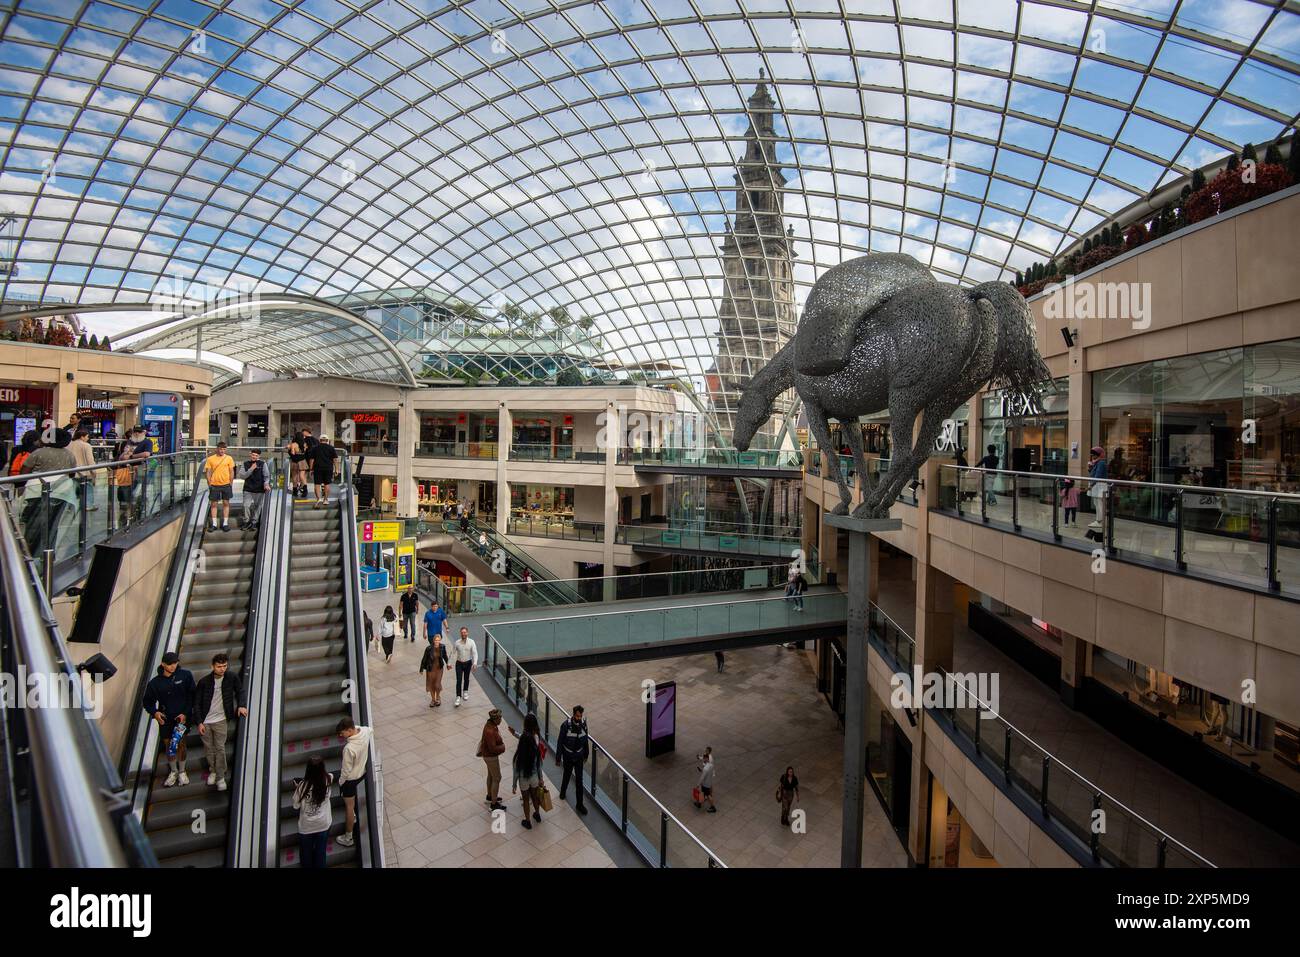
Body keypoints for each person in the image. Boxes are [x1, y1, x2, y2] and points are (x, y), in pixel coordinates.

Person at [18, 429, 76, 560]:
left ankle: (28, 554)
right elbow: (72, 474)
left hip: (36, 492)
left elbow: (24, 472)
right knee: (52, 525)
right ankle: (48, 554)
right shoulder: (69, 455)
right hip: (62, 494)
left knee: (32, 524)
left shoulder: (38, 453)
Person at [193, 652, 248, 792]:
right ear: (212, 666)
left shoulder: (231, 677)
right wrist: (199, 722)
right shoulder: (204, 682)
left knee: (220, 748)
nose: (222, 669)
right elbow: (197, 703)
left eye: (224, 666)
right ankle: (213, 770)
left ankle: (220, 776)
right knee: (209, 749)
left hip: (221, 719)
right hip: (205, 721)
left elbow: (240, 691)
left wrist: (241, 705)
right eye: (219, 666)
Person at [141, 651, 195, 787]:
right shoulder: (155, 683)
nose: (173, 666)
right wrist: (155, 713)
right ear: (163, 664)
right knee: (169, 745)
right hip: (166, 719)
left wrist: (185, 713)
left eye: (175, 663)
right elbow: (147, 702)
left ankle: (182, 771)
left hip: (181, 719)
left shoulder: (185, 675)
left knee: (180, 743)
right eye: (170, 664)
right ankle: (174, 771)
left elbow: (192, 696)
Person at [335, 716, 371, 847]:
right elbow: (369, 729)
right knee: (351, 804)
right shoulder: (365, 732)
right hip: (362, 774)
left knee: (349, 807)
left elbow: (345, 771)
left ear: (350, 730)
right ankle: (353, 818)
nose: (341, 735)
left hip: (349, 780)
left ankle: (348, 837)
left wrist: (340, 782)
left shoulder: (349, 748)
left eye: (342, 732)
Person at [293, 755, 333, 868]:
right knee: (321, 853)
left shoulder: (302, 787)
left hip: (306, 827)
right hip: (324, 823)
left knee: (306, 856)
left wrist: (297, 787)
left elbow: (296, 805)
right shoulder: (329, 779)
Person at [511, 712, 546, 829]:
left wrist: (514, 784)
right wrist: (541, 779)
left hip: (523, 779)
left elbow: (516, 771)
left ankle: (527, 821)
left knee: (526, 799)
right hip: (534, 777)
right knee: (535, 796)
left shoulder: (519, 756)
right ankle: (537, 814)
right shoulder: (535, 749)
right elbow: (538, 766)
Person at [477, 709, 515, 810]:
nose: (501, 719)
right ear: (496, 719)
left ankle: (490, 796)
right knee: (497, 777)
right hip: (491, 757)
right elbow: (493, 748)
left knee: (491, 775)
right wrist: (502, 747)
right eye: (500, 718)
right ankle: (494, 804)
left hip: (488, 755)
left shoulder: (490, 725)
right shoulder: (490, 731)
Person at [556, 705, 589, 815]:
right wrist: (558, 757)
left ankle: (579, 804)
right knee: (567, 774)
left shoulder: (583, 725)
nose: (579, 718)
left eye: (580, 716)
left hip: (579, 756)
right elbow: (560, 741)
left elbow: (585, 739)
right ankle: (563, 792)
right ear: (574, 715)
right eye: (577, 716)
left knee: (579, 781)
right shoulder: (566, 725)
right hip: (568, 756)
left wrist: (586, 754)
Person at [204, 441, 236, 532]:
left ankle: (225, 523)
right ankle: (214, 524)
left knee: (226, 503)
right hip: (214, 485)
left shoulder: (229, 458)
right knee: (213, 504)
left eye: (224, 449)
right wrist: (209, 483)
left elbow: (231, 471)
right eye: (221, 449)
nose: (222, 451)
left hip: (226, 484)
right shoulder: (210, 459)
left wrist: (231, 482)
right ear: (217, 449)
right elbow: (208, 472)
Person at [68, 429, 97, 511]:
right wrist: (94, 472)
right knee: (88, 489)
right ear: (82, 437)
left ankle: (72, 506)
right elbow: (90, 460)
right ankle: (89, 505)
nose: (88, 438)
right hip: (85, 472)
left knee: (73, 490)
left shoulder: (69, 444)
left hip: (72, 472)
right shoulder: (86, 445)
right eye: (87, 436)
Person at [239, 449, 268, 529]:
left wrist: (266, 484)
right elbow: (242, 476)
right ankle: (246, 521)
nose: (254, 456)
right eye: (253, 455)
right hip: (248, 489)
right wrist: (251, 469)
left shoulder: (263, 464)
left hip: (259, 488)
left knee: (257, 506)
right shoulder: (245, 464)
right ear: (250, 454)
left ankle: (254, 522)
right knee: (246, 505)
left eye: (256, 455)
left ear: (259, 456)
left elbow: (266, 476)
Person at [308, 434, 338, 508]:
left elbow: (312, 459)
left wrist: (311, 469)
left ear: (319, 440)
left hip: (317, 468)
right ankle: (325, 499)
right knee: (327, 484)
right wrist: (337, 469)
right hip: (328, 468)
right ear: (327, 440)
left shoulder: (315, 448)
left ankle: (318, 499)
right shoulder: (331, 448)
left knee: (317, 484)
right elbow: (335, 459)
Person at [420, 634, 450, 707]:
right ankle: (433, 700)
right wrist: (421, 669)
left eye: (438, 640)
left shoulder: (442, 647)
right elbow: (424, 659)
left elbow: (445, 656)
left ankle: (438, 697)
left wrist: (448, 664)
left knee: (437, 684)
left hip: (439, 668)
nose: (437, 641)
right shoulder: (429, 648)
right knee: (431, 685)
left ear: (440, 640)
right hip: (430, 668)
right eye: (436, 640)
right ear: (433, 641)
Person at [451, 626, 478, 706]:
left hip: (468, 663)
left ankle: (465, 691)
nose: (463, 634)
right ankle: (458, 697)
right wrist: (449, 663)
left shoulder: (471, 642)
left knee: (466, 678)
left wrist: (475, 663)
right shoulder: (457, 642)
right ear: (460, 633)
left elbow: (474, 653)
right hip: (459, 663)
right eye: (462, 632)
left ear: (467, 633)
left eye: (465, 632)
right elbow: (452, 653)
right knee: (459, 680)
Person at [1087, 446, 1109, 534]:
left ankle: (1100, 521)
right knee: (1097, 503)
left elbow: (1098, 475)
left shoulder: (1101, 463)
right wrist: (1090, 468)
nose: (1092, 456)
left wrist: (1091, 485)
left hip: (1099, 485)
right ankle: (1099, 520)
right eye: (1092, 455)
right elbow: (1094, 474)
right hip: (1097, 485)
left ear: (1099, 455)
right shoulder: (1097, 463)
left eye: (1094, 455)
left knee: (1099, 503)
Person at [694, 747, 716, 812]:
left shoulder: (706, 768)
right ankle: (699, 804)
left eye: (704, 758)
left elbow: (702, 777)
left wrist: (698, 784)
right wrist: (702, 770)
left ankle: (713, 807)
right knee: (703, 793)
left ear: (707, 759)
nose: (703, 759)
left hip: (705, 783)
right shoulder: (711, 765)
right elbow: (709, 773)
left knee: (708, 795)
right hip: (708, 781)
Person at [286, 430, 306, 498]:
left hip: (295, 461)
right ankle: (305, 490)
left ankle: (295, 491)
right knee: (302, 476)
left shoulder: (294, 444)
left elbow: (293, 453)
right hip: (302, 461)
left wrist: (288, 448)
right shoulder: (305, 444)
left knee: (295, 476)